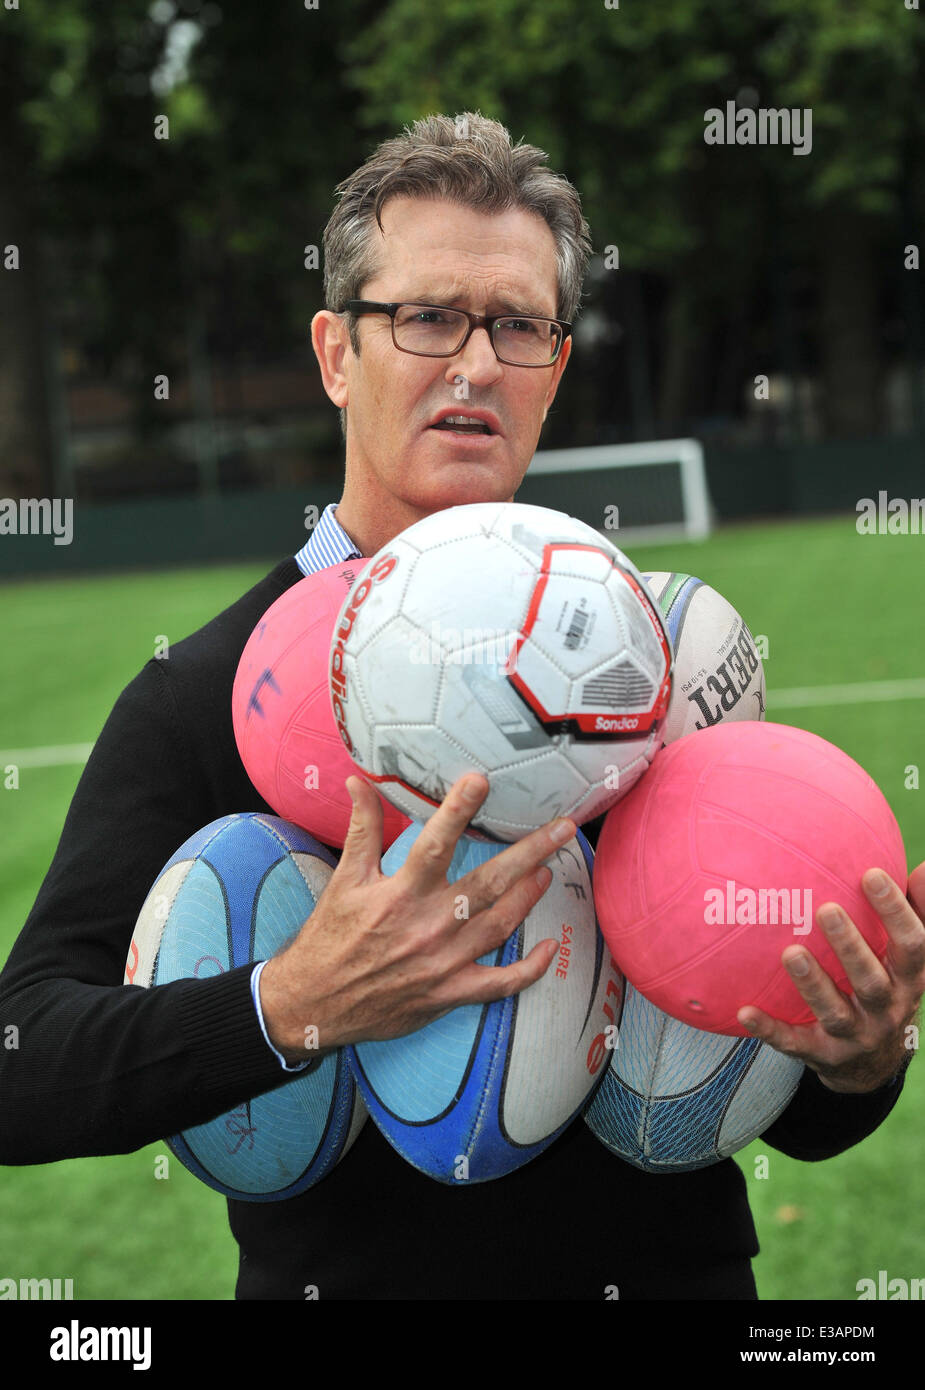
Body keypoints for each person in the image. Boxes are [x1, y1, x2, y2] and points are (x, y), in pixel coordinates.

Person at [1, 113, 922, 1302]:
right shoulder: (211, 689)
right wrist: (288, 1005)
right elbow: (22, 1067)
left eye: (519, 325)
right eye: (428, 317)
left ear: (557, 366)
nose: (476, 364)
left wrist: (862, 1059)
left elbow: (784, 1106)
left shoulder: (662, 662)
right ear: (336, 353)